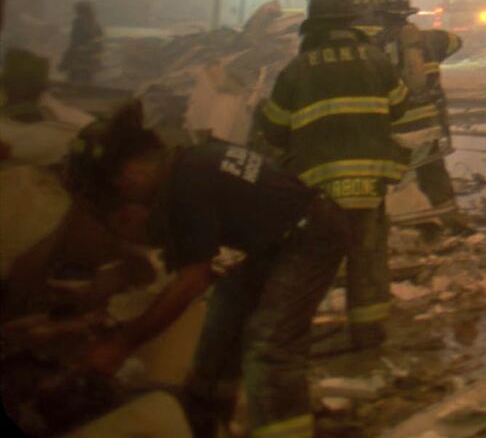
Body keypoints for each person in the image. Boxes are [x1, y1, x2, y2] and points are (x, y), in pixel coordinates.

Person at [63, 100, 346, 438]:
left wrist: (122, 344)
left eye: (116, 193)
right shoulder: (189, 163)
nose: (124, 203)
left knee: (269, 345)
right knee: (221, 327)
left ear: (129, 173)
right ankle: (204, 421)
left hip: (309, 236)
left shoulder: (187, 181)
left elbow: (191, 280)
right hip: (279, 241)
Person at [254, 0, 408, 351]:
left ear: (313, 29)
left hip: (318, 191)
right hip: (370, 185)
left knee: (312, 264)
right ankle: (368, 337)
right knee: (367, 260)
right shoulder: (375, 60)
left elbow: (273, 130)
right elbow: (401, 107)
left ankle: (297, 334)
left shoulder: (297, 69)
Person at [373, 0, 470, 237]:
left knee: (389, 180)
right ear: (408, 13)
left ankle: (395, 226)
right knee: (434, 175)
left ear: (382, 15)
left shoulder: (374, 46)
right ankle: (451, 221)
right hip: (429, 123)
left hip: (395, 126)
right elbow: (456, 41)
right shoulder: (430, 39)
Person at [61, 1, 106, 86]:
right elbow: (99, 39)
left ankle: (71, 80)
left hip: (81, 52)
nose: (76, 13)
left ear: (80, 11)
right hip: (92, 52)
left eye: (77, 11)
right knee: (85, 73)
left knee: (73, 64)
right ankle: (85, 83)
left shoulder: (78, 22)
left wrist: (74, 49)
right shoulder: (94, 23)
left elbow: (75, 39)